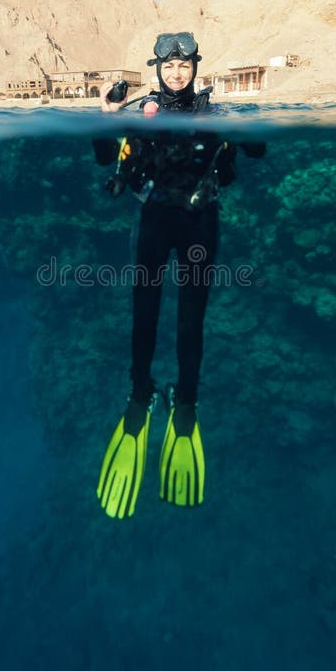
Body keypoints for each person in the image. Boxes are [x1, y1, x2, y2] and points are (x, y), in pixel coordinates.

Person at [94, 32, 266, 518]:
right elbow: (104, 158)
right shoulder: (141, 112)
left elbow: (258, 151)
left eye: (184, 65)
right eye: (168, 66)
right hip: (153, 221)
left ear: (194, 69)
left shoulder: (214, 113)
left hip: (198, 222)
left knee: (192, 318)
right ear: (157, 69)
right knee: (144, 314)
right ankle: (140, 393)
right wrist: (106, 117)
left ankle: (185, 401)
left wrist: (244, 125)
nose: (176, 72)